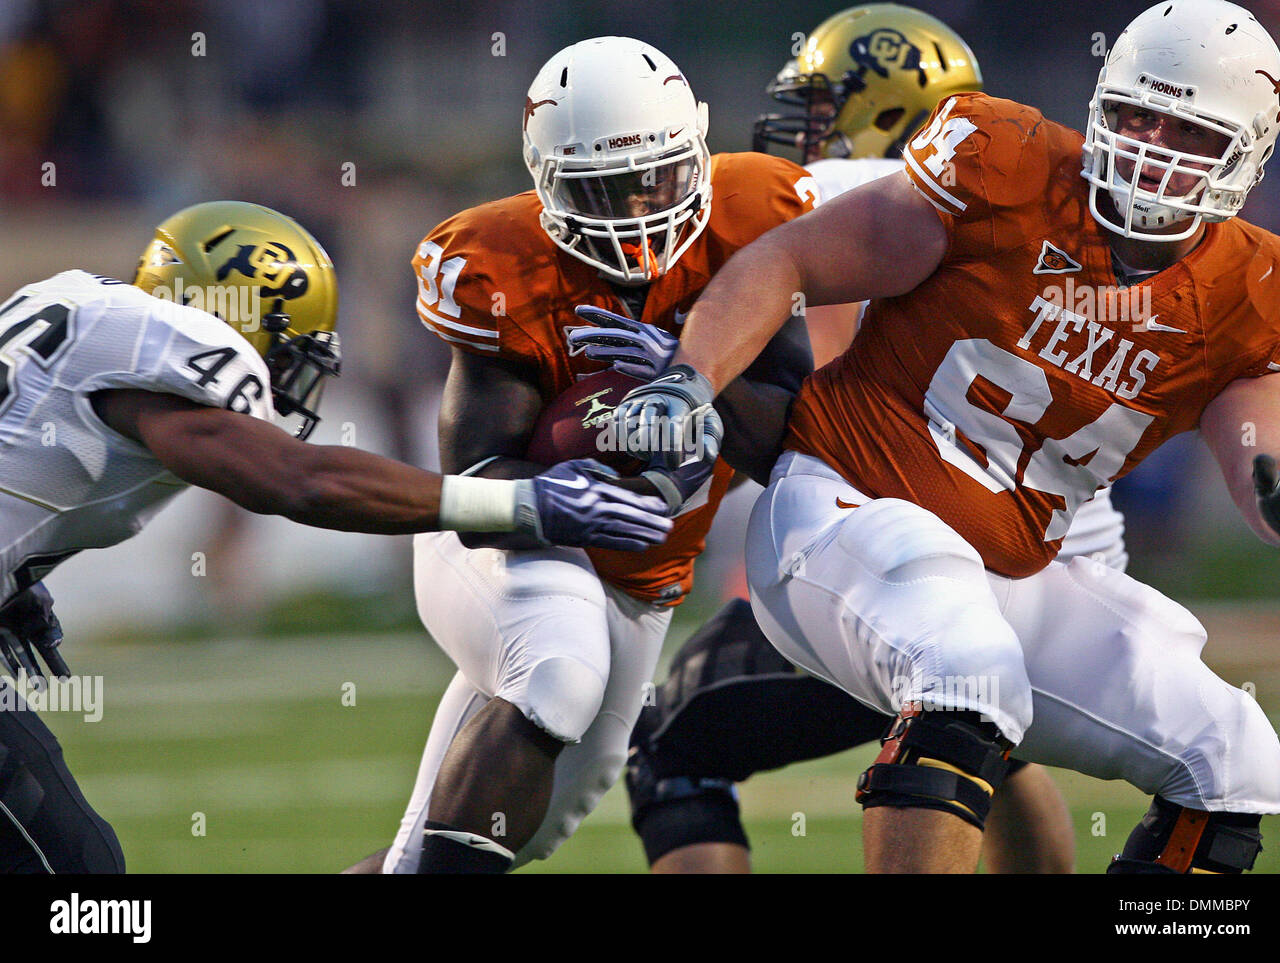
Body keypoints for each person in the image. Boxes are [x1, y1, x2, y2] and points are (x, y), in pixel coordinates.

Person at [611, 0, 1280, 873]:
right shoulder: (1002, 162)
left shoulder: (1260, 284)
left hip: (1017, 567)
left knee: (1233, 752)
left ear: (1249, 149)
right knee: (965, 670)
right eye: (1135, 115)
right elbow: (788, 260)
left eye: (1188, 132)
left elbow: (1262, 452)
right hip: (849, 505)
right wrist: (687, 379)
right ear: (1100, 106)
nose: (1153, 146)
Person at [0, 200, 672, 873]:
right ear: (242, 310)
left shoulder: (71, 303)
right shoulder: (175, 342)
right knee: (80, 878)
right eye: (291, 348)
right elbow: (298, 480)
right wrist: (524, 502)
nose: (292, 376)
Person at [621, 4, 1087, 874]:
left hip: (918, 564)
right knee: (992, 729)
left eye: (822, 105)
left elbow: (812, 407)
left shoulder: (827, 203)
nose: (800, 127)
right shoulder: (1020, 212)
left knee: (667, 750)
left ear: (886, 108)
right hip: (1067, 577)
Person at [377, 36, 818, 874]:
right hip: (520, 538)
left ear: (699, 149)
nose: (641, 204)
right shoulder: (504, 264)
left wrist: (698, 372)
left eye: (659, 174)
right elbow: (475, 486)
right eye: (605, 187)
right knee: (558, 669)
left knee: (474, 846)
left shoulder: (752, 215)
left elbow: (792, 440)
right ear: (545, 179)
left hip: (645, 582)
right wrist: (551, 499)